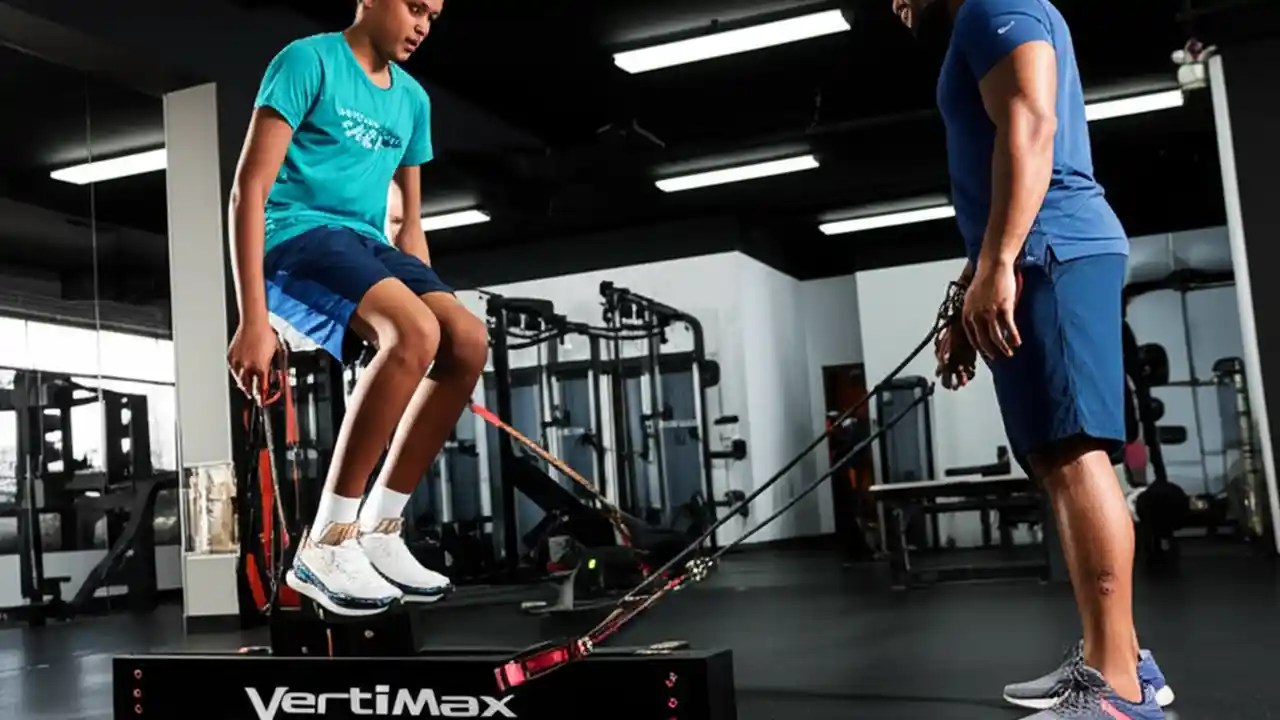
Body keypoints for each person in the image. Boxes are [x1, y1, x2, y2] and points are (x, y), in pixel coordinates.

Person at [891, 1, 1174, 718]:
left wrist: (998, 266)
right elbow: (998, 172)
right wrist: (968, 288)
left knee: (1076, 453)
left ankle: (1113, 688)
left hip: (1053, 246)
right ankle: (1121, 659)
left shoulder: (993, 3)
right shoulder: (980, 18)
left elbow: (1032, 122)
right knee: (1058, 457)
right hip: (1038, 247)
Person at [225, 0, 489, 617]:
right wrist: (253, 319)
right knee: (414, 330)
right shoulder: (307, 60)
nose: (424, 25)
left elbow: (409, 223)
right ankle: (327, 541)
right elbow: (249, 188)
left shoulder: (413, 100)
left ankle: (381, 526)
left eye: (435, 16)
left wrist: (434, 313)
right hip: (294, 235)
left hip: (365, 243)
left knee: (468, 340)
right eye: (415, 8)